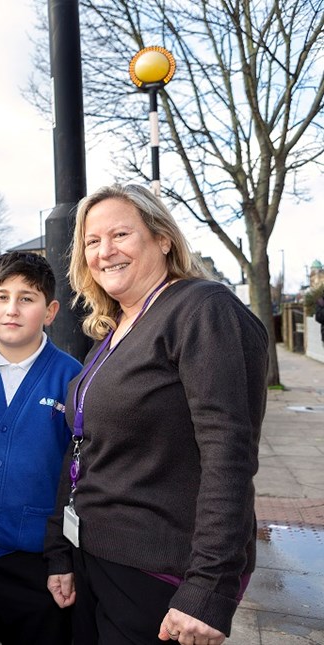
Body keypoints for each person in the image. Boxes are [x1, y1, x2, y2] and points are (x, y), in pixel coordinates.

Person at [44, 184, 268, 645]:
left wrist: (209, 587)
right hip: (95, 560)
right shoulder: (115, 330)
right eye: (91, 241)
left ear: (162, 238)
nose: (105, 252)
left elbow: (228, 455)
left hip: (158, 573)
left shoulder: (202, 309)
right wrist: (61, 553)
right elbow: (83, 448)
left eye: (121, 234)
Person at [0, 251, 82, 645]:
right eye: (2, 296)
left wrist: (63, 557)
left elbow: (79, 477)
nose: (12, 309)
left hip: (38, 568)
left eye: (27, 298)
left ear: (50, 310)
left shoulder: (73, 378)